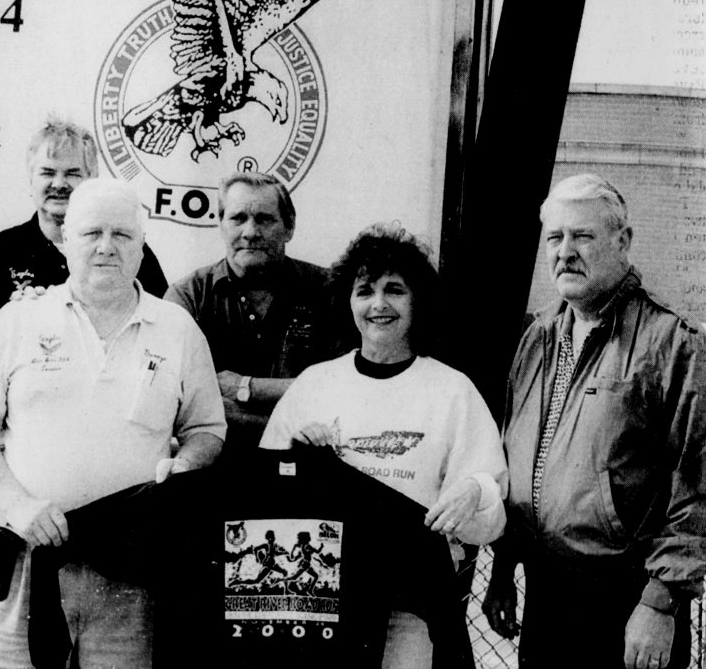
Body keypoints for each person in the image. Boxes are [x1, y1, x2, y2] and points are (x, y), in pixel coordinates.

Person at [0, 177, 226, 669]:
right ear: (64, 240)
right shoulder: (17, 322)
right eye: (91, 233)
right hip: (23, 562)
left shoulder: (178, 330)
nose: (106, 247)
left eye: (122, 234)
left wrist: (186, 464)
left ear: (142, 245)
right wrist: (17, 504)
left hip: (129, 575)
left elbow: (207, 429)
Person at [482, 174, 706, 669]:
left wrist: (661, 602)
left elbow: (697, 483)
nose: (565, 252)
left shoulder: (672, 342)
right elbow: (518, 457)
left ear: (623, 241)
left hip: (629, 603)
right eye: (554, 238)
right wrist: (503, 569)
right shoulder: (539, 335)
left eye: (582, 235)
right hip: (546, 595)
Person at [260, 223, 508, 669]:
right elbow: (265, 499)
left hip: (407, 606)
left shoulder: (453, 391)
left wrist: (476, 490)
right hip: (321, 605)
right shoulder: (315, 384)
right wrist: (298, 454)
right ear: (347, 302)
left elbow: (489, 519)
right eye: (364, 291)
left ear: (418, 302)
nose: (378, 304)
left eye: (394, 290)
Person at [165, 172, 351, 454]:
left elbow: (346, 387)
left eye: (264, 219)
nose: (250, 232)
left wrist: (245, 387)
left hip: (306, 466)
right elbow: (175, 402)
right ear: (221, 225)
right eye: (238, 218)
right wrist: (291, 415)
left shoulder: (329, 291)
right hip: (213, 465)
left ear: (289, 227)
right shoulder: (188, 297)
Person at [0, 118, 168, 315]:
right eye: (47, 173)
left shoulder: (127, 249)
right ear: (31, 180)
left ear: (92, 179)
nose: (59, 184)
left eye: (72, 173)